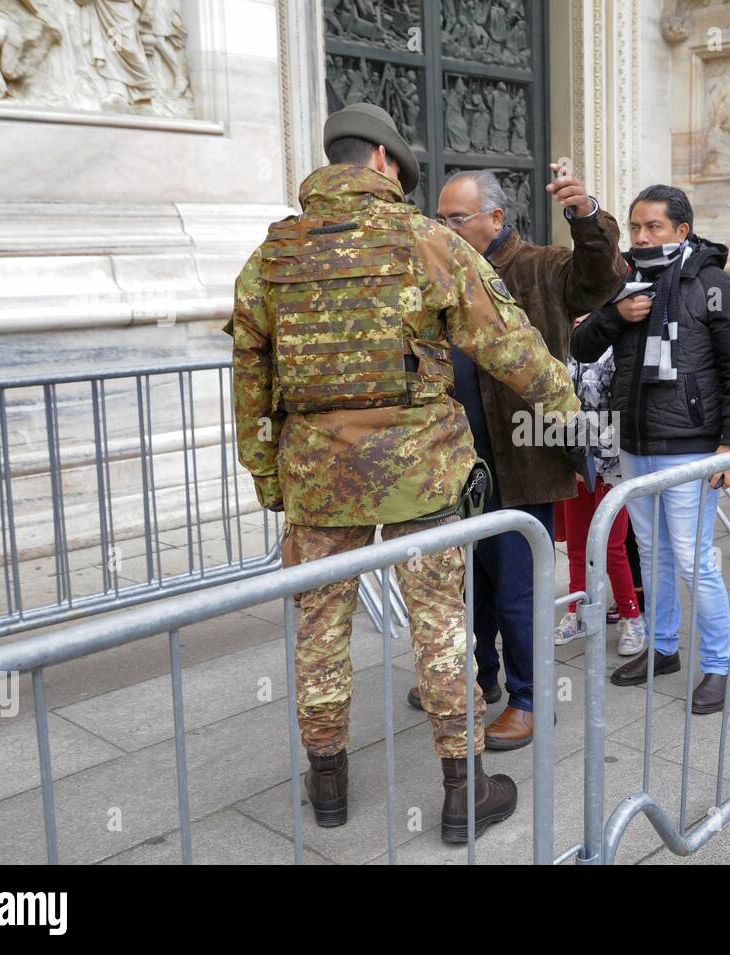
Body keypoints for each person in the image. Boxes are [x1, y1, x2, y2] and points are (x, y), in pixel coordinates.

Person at [229, 103, 579, 839]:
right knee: (442, 625)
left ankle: (328, 784)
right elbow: (508, 345)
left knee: (320, 628)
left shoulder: (272, 255)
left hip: (319, 479)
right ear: (385, 162)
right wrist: (567, 406)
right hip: (420, 472)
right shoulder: (425, 241)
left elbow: (250, 383)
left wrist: (268, 475)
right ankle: (463, 788)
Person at [400, 165, 627, 750]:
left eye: (456, 219)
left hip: (524, 454)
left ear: (495, 218)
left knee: (518, 585)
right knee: (468, 580)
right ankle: (482, 676)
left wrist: (586, 215)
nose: (443, 228)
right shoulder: (438, 272)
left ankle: (530, 697)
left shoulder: (540, 266)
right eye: (439, 218)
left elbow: (599, 276)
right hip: (455, 460)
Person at [572, 184, 730, 714]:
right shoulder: (627, 281)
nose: (641, 235)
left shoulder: (712, 283)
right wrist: (615, 317)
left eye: (653, 226)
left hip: (690, 446)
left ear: (681, 230)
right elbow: (581, 347)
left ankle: (721, 668)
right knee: (652, 553)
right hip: (635, 444)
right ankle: (662, 647)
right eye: (634, 226)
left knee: (694, 560)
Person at [553, 330, 647, 656]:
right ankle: (576, 609)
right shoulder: (563, 342)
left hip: (611, 464)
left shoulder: (618, 346)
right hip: (573, 462)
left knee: (612, 546)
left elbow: (625, 406)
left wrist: (602, 451)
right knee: (577, 545)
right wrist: (571, 452)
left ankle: (631, 615)